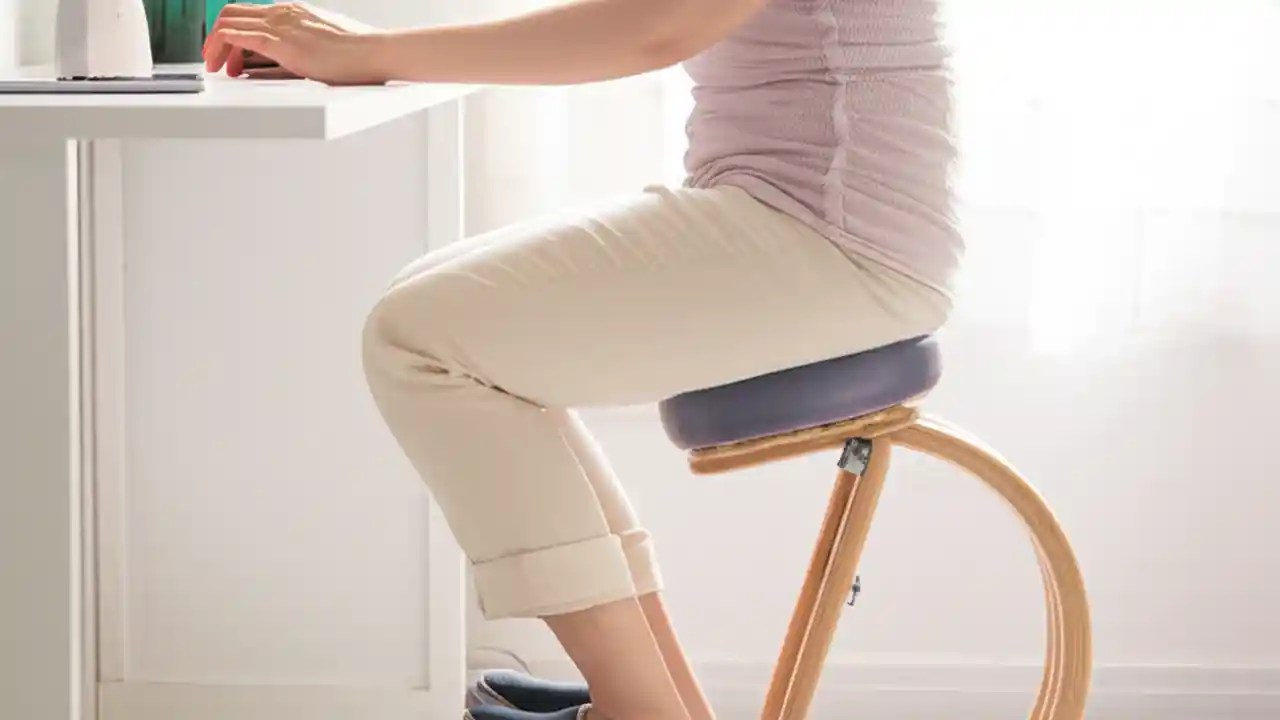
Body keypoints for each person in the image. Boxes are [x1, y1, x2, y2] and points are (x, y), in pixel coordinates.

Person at [204, 1, 959, 718]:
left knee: (422, 336)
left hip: (833, 234)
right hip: (805, 216)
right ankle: (660, 706)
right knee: (433, 315)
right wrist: (360, 50)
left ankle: (637, 708)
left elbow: (656, 28)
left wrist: (369, 53)